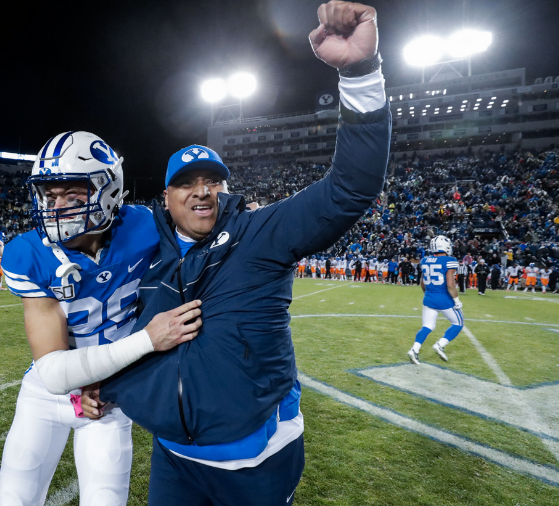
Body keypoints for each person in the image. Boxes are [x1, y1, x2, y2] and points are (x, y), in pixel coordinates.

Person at [95, 3, 389, 503]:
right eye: (186, 184)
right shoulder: (141, 247)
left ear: (226, 190)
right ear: (165, 197)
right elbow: (117, 327)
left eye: (212, 180)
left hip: (260, 457)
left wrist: (360, 73)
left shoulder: (261, 232)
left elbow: (349, 189)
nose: (201, 192)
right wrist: (105, 385)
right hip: (172, 456)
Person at [0, 131, 202, 506]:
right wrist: (147, 342)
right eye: (48, 194)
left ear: (108, 191)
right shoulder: (27, 253)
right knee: (15, 500)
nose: (56, 205)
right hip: (47, 395)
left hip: (110, 397)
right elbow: (55, 372)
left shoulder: (145, 227)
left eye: (71, 193)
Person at [407, 236, 464, 364]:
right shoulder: (450, 260)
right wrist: (456, 300)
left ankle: (414, 350)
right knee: (458, 323)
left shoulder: (425, 260)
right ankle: (440, 344)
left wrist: (428, 294)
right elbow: (450, 284)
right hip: (444, 299)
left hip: (429, 297)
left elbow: (422, 283)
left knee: (427, 326)